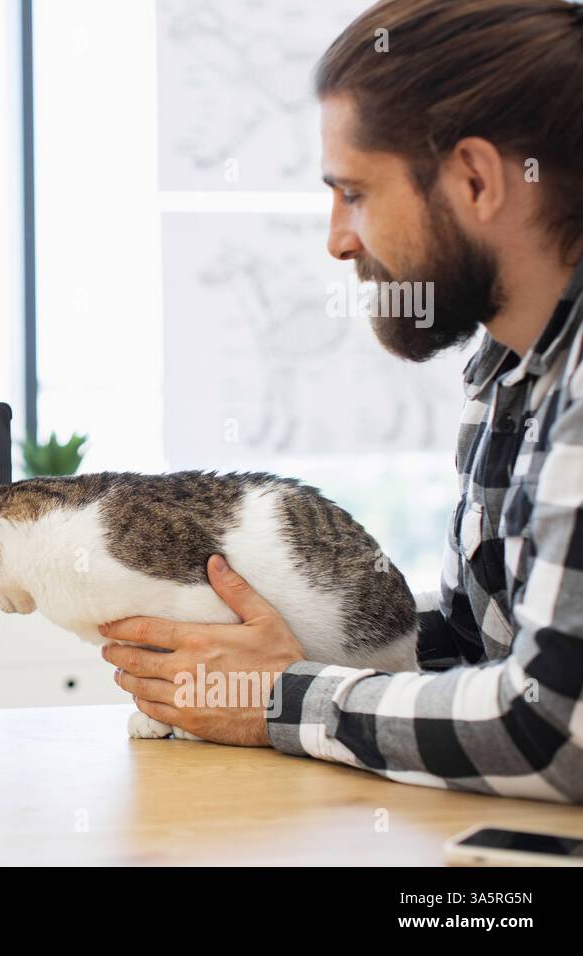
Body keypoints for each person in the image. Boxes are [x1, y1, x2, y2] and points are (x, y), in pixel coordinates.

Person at [103, 0, 583, 802]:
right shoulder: (509, 368)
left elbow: (550, 725)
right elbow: (477, 640)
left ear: (475, 179)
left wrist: (277, 697)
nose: (338, 239)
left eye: (354, 192)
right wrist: (249, 649)